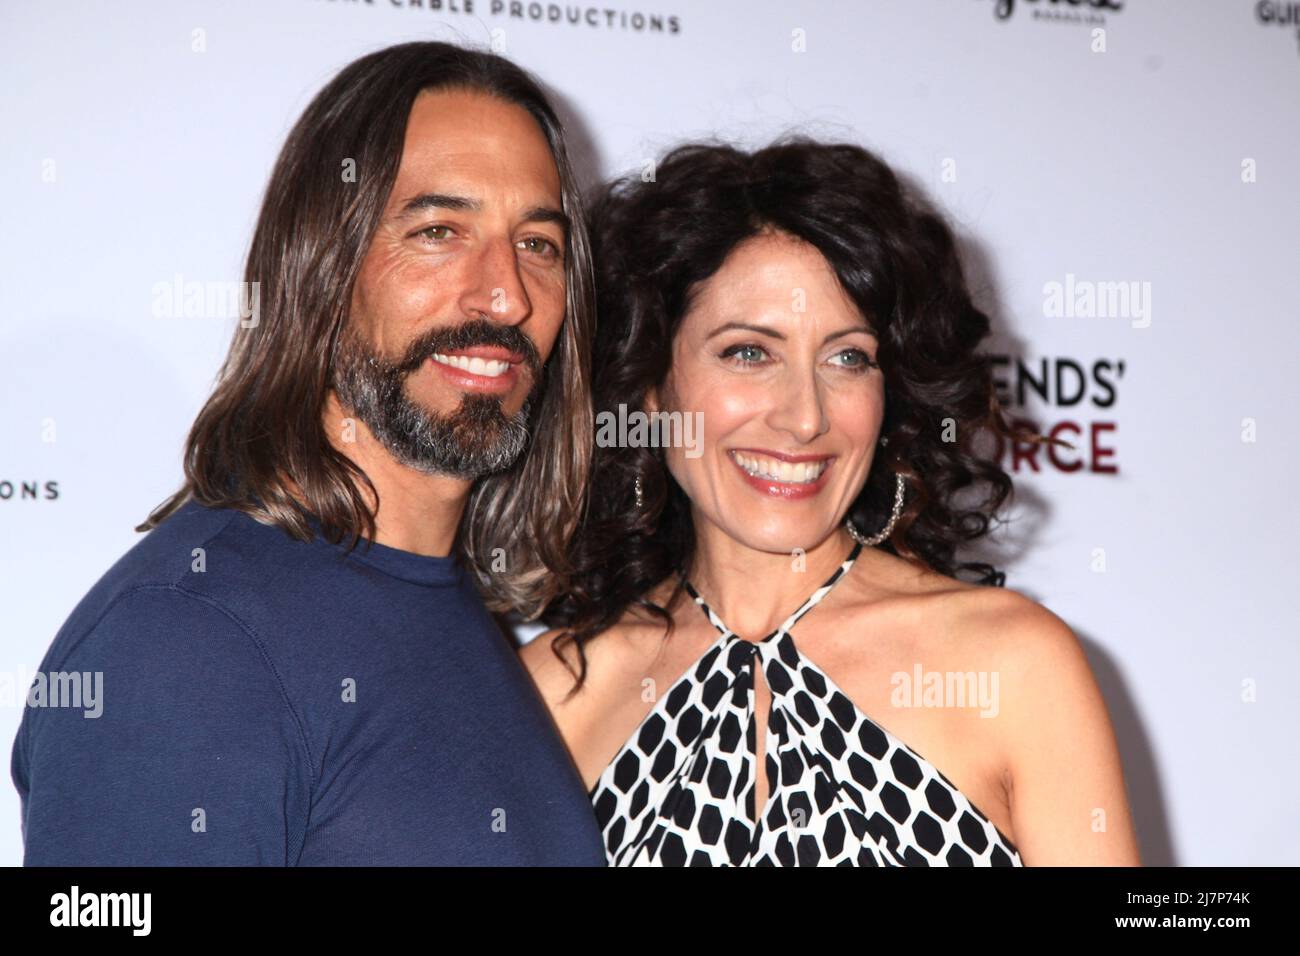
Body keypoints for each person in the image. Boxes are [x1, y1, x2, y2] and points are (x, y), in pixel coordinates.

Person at [11, 41, 606, 866]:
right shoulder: (187, 642)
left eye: (538, 244)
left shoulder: (449, 608)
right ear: (321, 267)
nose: (505, 293)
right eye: (438, 231)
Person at [522, 138, 1142, 866]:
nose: (805, 416)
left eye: (848, 357)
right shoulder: (561, 690)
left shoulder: (1013, 667)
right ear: (651, 387)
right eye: (749, 352)